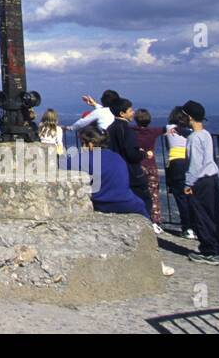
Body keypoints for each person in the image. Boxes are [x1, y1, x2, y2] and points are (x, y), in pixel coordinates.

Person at [75, 127, 175, 277]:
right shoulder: (117, 157)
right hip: (130, 202)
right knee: (145, 226)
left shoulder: (86, 158)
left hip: (103, 202)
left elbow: (60, 165)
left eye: (83, 143)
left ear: (90, 144)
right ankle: (156, 262)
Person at [181, 100, 219, 265]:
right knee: (213, 214)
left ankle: (209, 251)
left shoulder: (193, 138)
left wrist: (188, 185)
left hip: (199, 181)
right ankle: (218, 248)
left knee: (202, 216)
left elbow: (194, 165)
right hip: (211, 177)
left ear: (189, 117)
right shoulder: (205, 134)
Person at [104, 98, 152, 218]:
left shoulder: (110, 128)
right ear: (122, 113)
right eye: (130, 110)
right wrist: (143, 154)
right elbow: (131, 154)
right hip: (132, 173)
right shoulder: (126, 130)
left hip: (117, 172)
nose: (133, 112)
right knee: (143, 201)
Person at [132, 108, 167, 235]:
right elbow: (166, 128)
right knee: (154, 194)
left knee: (138, 192)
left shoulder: (132, 131)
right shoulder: (153, 132)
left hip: (138, 165)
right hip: (151, 165)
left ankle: (141, 217)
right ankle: (155, 221)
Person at [164, 108, 195, 239]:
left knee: (181, 197)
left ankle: (187, 228)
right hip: (189, 162)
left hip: (175, 163)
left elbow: (167, 145)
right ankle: (196, 226)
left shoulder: (169, 128)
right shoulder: (192, 132)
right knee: (191, 196)